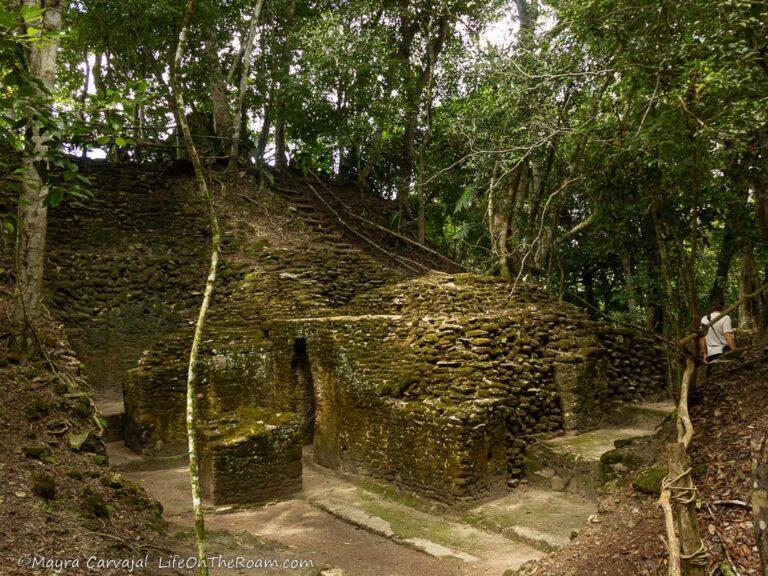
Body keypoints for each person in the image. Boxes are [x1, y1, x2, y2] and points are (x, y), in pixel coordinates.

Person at [699, 297, 737, 371]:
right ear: (723, 307)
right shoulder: (725, 318)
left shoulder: (704, 319)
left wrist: (705, 354)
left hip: (710, 354)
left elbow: (702, 339)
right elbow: (728, 336)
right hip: (723, 352)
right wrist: (735, 351)